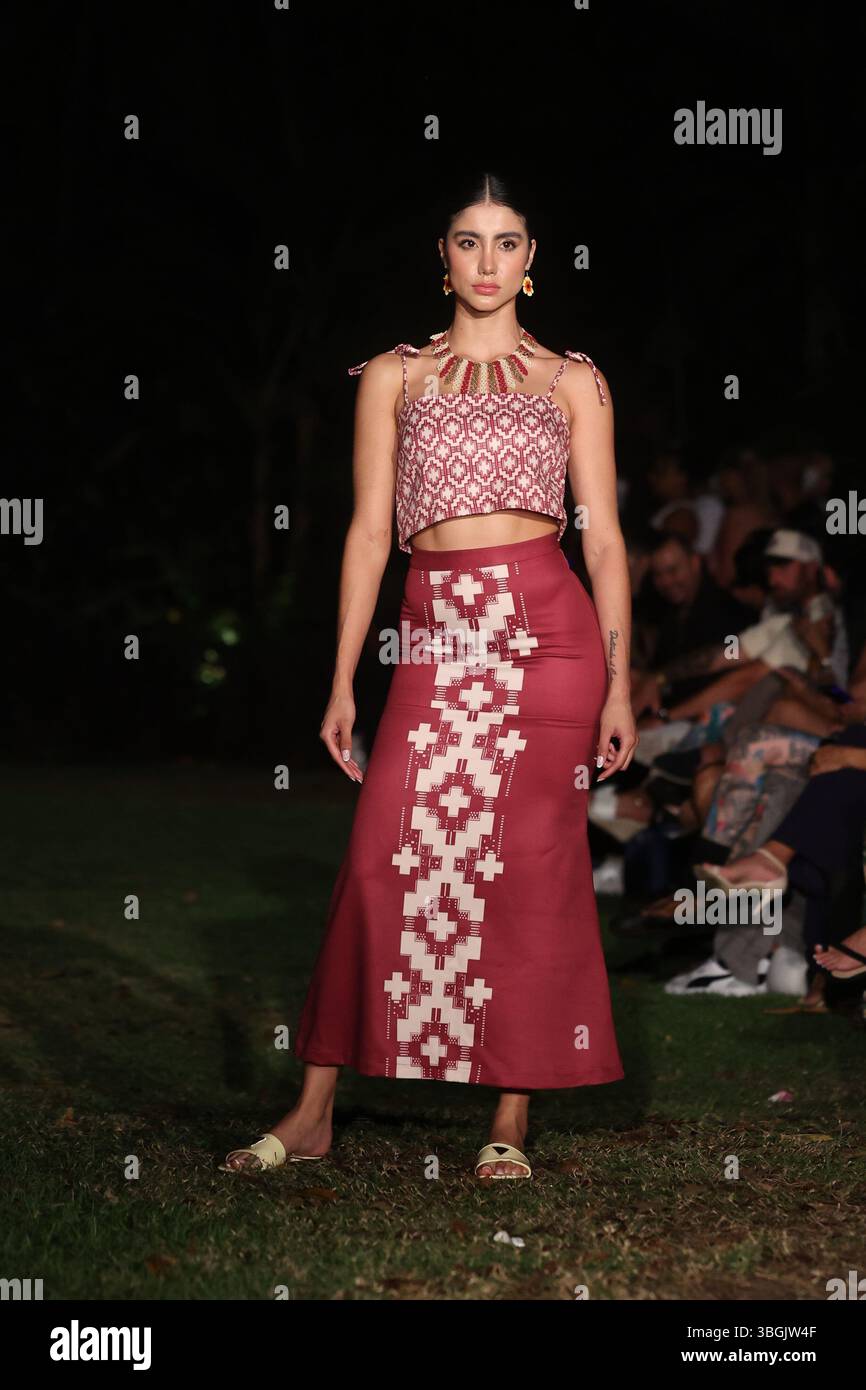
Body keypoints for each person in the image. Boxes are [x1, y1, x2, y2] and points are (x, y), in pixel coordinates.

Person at [221, 172, 636, 1180]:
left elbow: (607, 542)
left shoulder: (571, 380)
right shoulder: (392, 377)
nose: (486, 261)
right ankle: (315, 1108)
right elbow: (367, 534)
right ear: (440, 257)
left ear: (530, 262)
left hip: (549, 636)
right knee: (378, 853)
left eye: (506, 243)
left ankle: (508, 1118)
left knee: (532, 865)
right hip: (434, 634)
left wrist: (620, 683)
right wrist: (340, 682)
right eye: (467, 241)